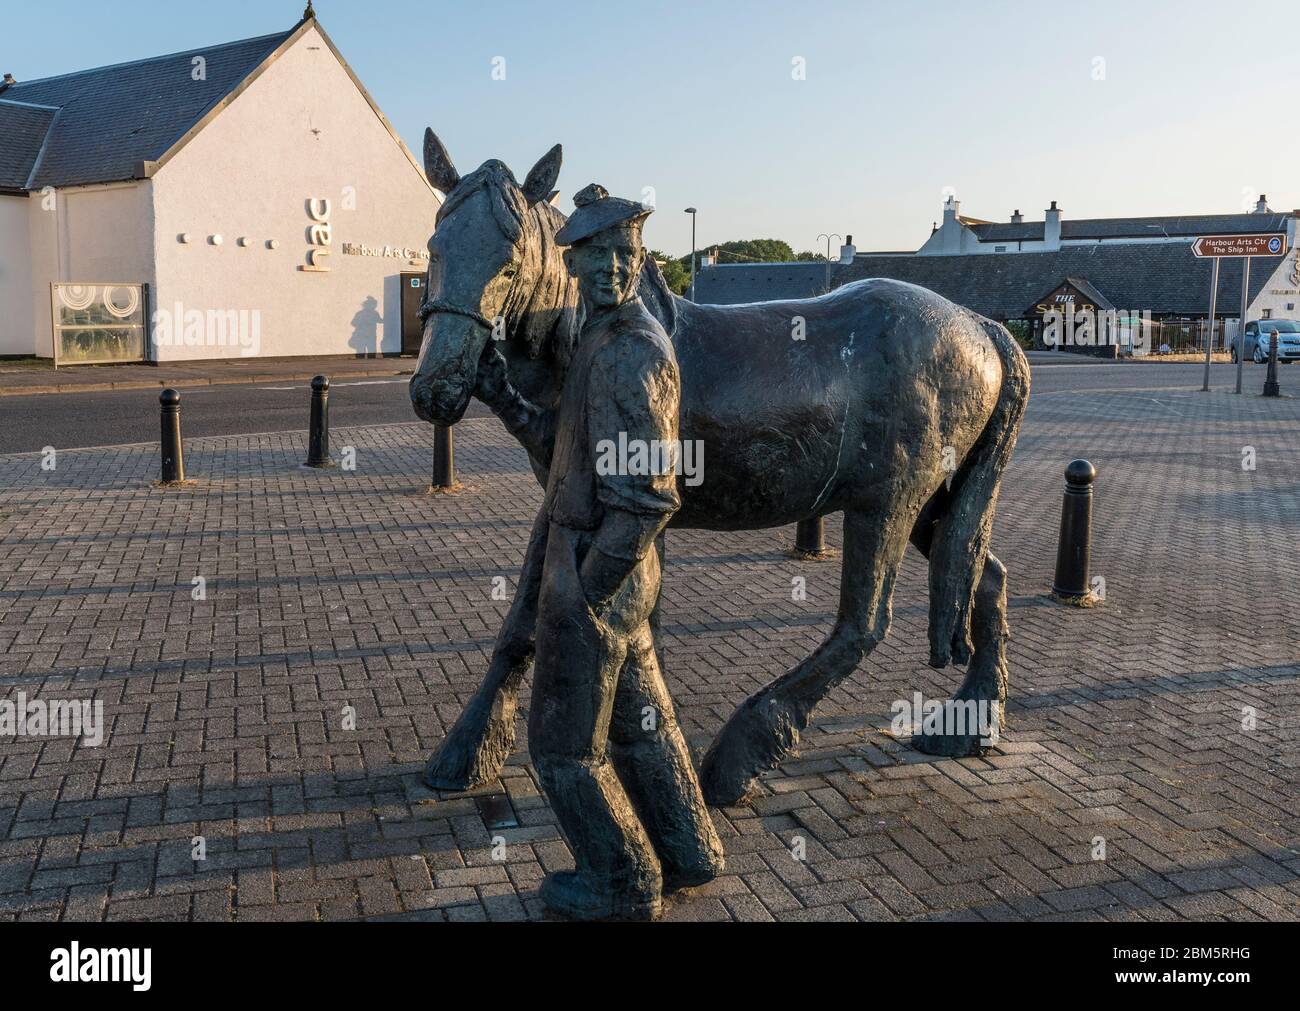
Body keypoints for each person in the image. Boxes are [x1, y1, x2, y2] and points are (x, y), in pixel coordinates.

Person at [529, 184, 723, 920]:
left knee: (561, 746)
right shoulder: (601, 335)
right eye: (599, 255)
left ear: (640, 261)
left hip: (601, 565)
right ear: (572, 263)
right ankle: (688, 846)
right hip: (614, 567)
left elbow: (647, 493)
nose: (613, 267)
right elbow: (572, 447)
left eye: (626, 255)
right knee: (645, 719)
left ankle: (621, 880)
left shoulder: (630, 351)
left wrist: (585, 585)